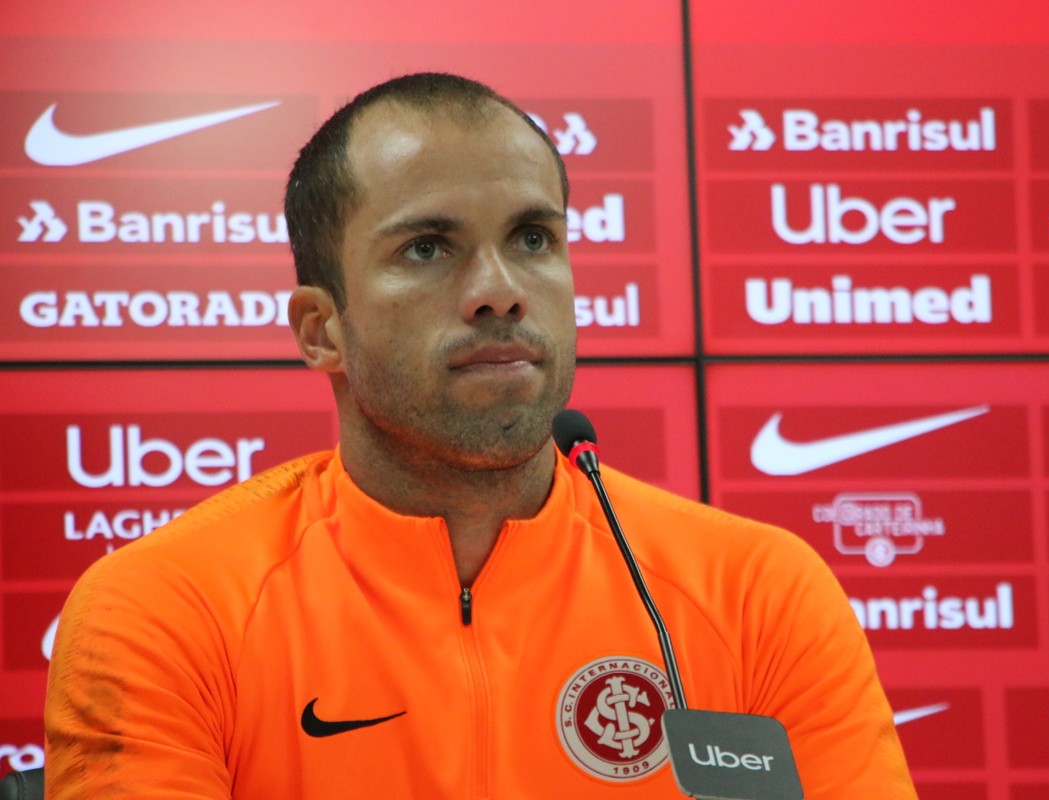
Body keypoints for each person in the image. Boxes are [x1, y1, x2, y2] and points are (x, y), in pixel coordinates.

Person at [44, 73, 917, 799]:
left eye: (532, 237)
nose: (498, 291)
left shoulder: (757, 595)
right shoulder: (168, 607)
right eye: (428, 248)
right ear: (321, 329)